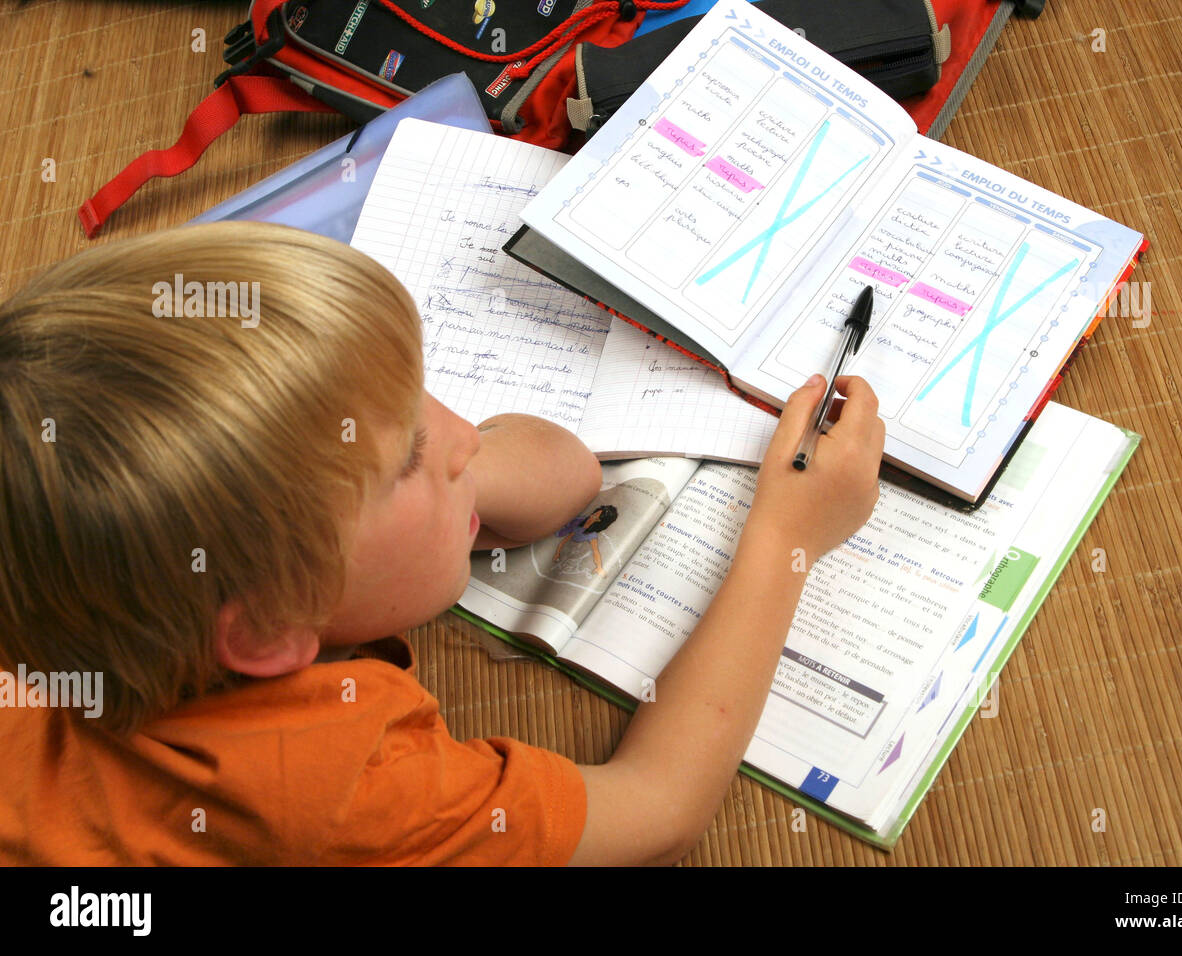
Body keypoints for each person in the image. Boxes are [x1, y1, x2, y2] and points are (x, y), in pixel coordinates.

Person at [0, 220, 885, 865]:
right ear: (266, 634)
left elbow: (565, 473)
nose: (464, 434)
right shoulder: (334, 790)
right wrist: (785, 541)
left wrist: (442, 480)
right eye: (407, 461)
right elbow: (657, 809)